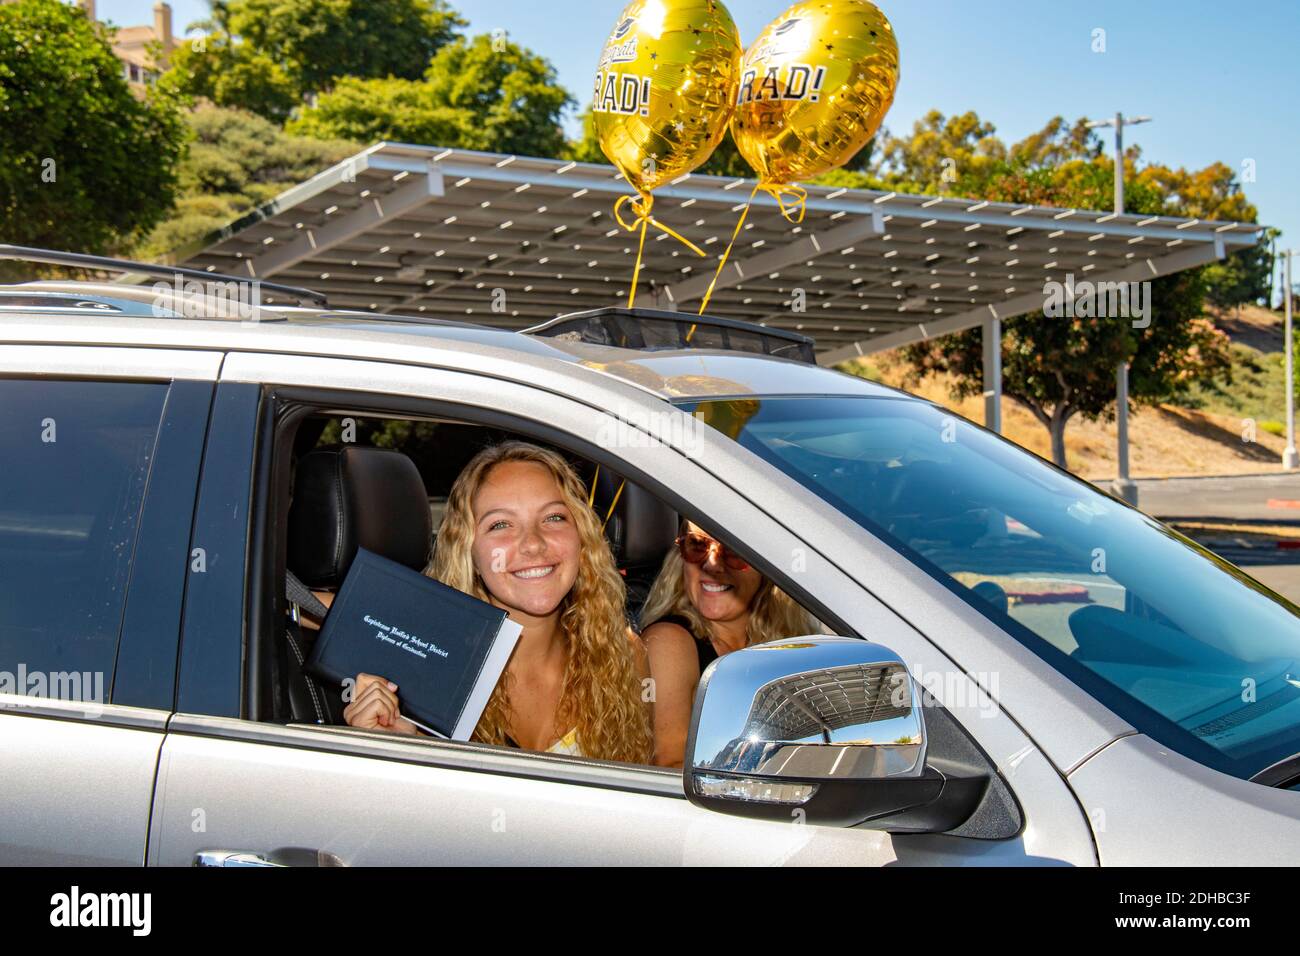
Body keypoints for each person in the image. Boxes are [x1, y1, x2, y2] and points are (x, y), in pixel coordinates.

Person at [343, 441, 653, 764]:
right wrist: (394, 753)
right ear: (470, 552)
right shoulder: (419, 674)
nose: (533, 543)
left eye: (553, 517)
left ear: (582, 538)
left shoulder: (621, 657)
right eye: (500, 524)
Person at [640, 521, 820, 768]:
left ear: (765, 568)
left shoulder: (787, 644)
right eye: (698, 545)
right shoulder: (669, 641)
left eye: (734, 551)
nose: (711, 564)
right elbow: (668, 765)